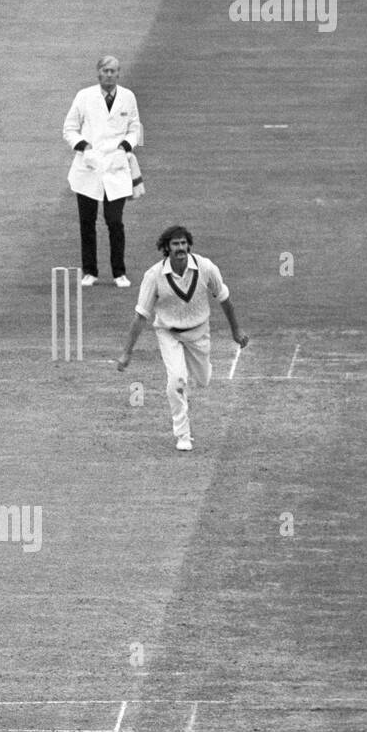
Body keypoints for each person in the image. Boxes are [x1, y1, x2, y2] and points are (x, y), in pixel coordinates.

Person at [117, 225, 249, 451]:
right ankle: (183, 435)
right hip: (169, 333)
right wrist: (127, 352)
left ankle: (189, 377)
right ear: (166, 248)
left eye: (183, 243)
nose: (180, 248)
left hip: (199, 332)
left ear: (188, 245)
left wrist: (236, 331)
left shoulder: (206, 267)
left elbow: (224, 299)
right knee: (177, 381)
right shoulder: (154, 276)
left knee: (204, 380)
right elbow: (141, 316)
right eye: (175, 244)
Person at [62, 55, 144, 287]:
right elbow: (69, 128)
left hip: (116, 167)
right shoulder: (84, 96)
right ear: (98, 73)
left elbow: (135, 129)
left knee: (114, 221)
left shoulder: (127, 97)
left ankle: (119, 272)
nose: (109, 75)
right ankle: (90, 271)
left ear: (119, 74)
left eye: (113, 71)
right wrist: (84, 147)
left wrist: (124, 147)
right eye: (105, 71)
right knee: (86, 222)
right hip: (88, 167)